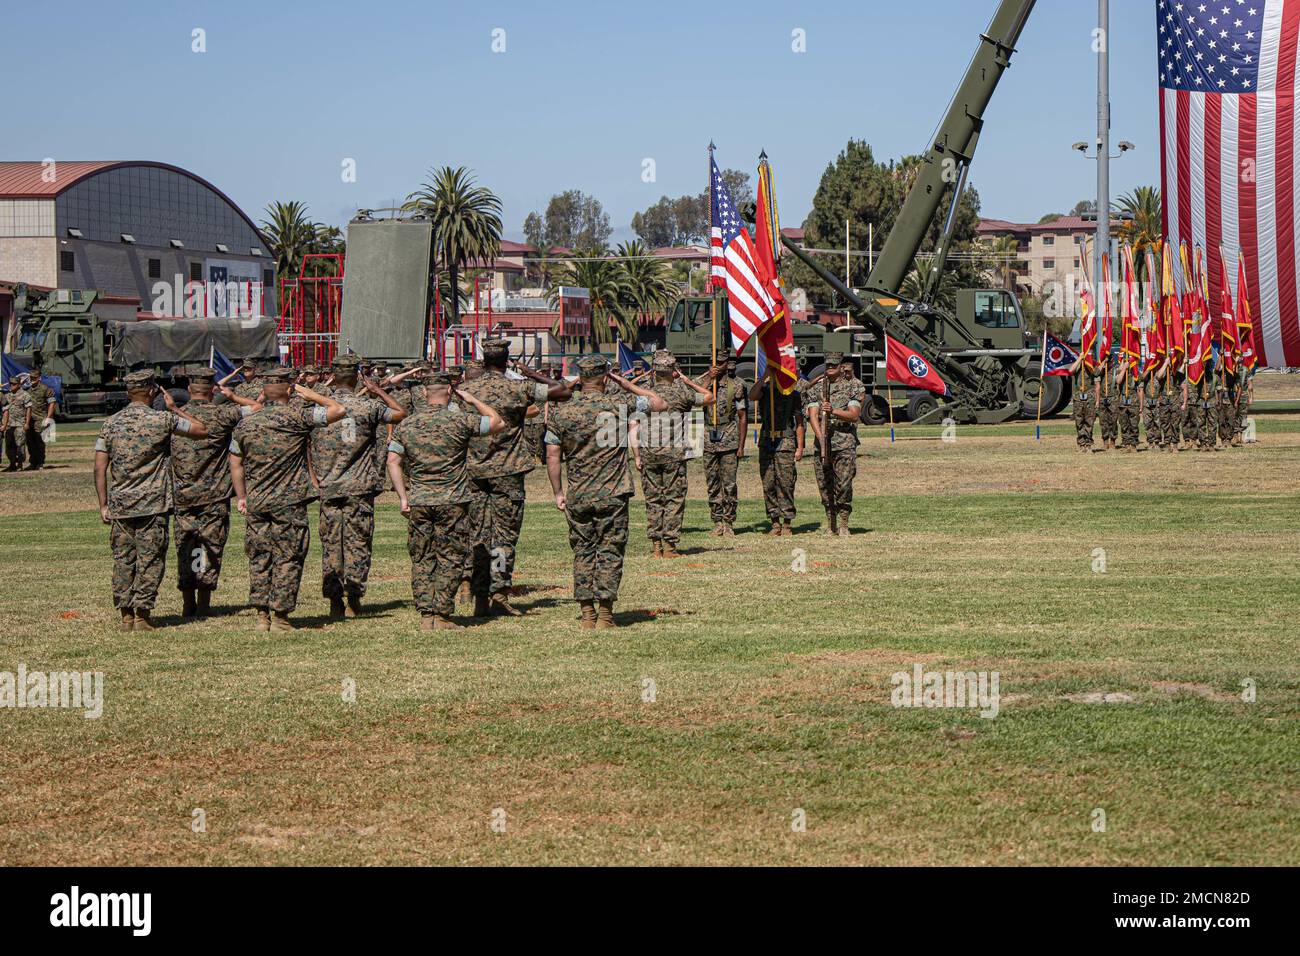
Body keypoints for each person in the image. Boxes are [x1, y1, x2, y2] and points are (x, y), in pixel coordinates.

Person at [544, 356, 667, 628]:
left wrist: (558, 492)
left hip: (578, 494)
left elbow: (553, 455)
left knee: (583, 551)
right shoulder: (619, 405)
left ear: (580, 377)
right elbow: (660, 402)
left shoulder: (562, 412)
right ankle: (605, 614)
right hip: (612, 492)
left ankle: (587, 612)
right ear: (604, 377)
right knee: (610, 551)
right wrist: (625, 383)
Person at [458, 338, 572, 616]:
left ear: (484, 361)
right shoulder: (518, 387)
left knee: (477, 535)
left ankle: (478, 593)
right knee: (504, 536)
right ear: (506, 360)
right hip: (508, 472)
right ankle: (498, 589)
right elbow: (563, 391)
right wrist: (529, 372)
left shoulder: (464, 390)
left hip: (473, 470)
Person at [228, 369, 348, 632]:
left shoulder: (247, 424)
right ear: (290, 389)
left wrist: (242, 496)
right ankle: (281, 616)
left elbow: (235, 463)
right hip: (288, 501)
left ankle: (262, 616)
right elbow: (338, 410)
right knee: (288, 557)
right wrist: (313, 394)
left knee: (260, 557)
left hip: (258, 500)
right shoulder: (297, 417)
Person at [93, 370, 210, 631]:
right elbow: (202, 430)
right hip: (152, 504)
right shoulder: (163, 420)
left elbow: (100, 467)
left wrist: (103, 503)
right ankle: (143, 615)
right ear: (151, 392)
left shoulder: (110, 423)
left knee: (123, 560)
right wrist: (174, 408)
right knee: (150, 559)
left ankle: (126, 616)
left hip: (121, 505)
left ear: (128, 393)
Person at [387, 373, 505, 631]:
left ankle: (425, 614)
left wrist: (403, 497)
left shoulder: (408, 424)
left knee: (422, 557)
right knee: (450, 557)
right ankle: (441, 615)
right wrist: (473, 400)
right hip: (453, 500)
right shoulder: (459, 420)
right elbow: (497, 422)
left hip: (419, 500)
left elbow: (392, 462)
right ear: (450, 393)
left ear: (425, 394)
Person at [310, 354, 408, 617]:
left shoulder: (319, 409)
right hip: (359, 486)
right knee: (358, 543)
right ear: (356, 378)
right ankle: (354, 600)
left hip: (328, 485)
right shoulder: (367, 406)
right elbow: (400, 414)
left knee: (332, 544)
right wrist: (377, 390)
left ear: (332, 376)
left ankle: (334, 601)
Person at [170, 368, 261, 618]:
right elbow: (256, 407)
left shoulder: (174, 416)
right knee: (209, 546)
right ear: (213, 390)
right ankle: (204, 601)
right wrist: (231, 396)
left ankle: (188, 601)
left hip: (183, 494)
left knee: (186, 545)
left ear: (189, 390)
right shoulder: (223, 413)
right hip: (214, 495)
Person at [636, 351, 717, 558]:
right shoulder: (682, 393)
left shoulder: (644, 394)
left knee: (653, 499)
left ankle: (656, 546)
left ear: (654, 371)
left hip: (649, 452)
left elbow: (632, 422)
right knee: (674, 499)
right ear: (673, 371)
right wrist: (688, 381)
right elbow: (710, 397)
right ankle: (670, 546)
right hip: (674, 454)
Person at [805, 352, 865, 537]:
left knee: (844, 484)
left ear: (841, 366)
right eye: (827, 365)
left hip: (844, 442)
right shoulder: (818, 388)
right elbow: (813, 414)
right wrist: (820, 436)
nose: (830, 368)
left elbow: (854, 415)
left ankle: (844, 523)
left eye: (834, 365)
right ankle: (830, 523)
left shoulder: (852, 386)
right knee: (824, 485)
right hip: (823, 443)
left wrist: (834, 411)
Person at [696, 356, 748, 537]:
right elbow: (691, 394)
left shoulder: (738, 385)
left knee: (729, 484)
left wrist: (741, 445)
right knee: (712, 483)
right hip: (709, 439)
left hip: (729, 439)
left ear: (727, 364)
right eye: (714, 362)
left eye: (721, 363)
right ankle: (717, 521)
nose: (717, 366)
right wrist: (709, 378)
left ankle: (729, 522)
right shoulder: (704, 383)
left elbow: (742, 416)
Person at [750, 366, 804, 535]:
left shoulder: (792, 394)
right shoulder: (765, 391)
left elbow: (799, 423)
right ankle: (774, 522)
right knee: (768, 483)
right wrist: (764, 376)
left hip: (785, 442)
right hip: (766, 441)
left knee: (786, 483)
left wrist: (800, 447)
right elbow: (752, 396)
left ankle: (787, 522)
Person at [24, 371, 57, 470]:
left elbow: (52, 403)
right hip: (29, 420)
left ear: (39, 378)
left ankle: (40, 462)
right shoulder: (27, 389)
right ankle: (32, 462)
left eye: (34, 377)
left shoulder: (45, 389)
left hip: (40, 419)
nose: (32, 379)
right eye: (31, 377)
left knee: (39, 441)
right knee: (30, 441)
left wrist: (49, 417)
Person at [1068, 352, 1099, 452]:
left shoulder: (1092, 365)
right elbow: (1070, 371)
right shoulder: (1077, 365)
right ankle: (1082, 445)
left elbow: (1097, 376)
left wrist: (1097, 400)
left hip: (1090, 396)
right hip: (1078, 398)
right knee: (1079, 421)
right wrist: (1079, 359)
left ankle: (1089, 444)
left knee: (1089, 421)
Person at [2, 377, 31, 471]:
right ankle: (12, 464)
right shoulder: (7, 395)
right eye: (10, 384)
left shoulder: (25, 395)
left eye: (14, 384)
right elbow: (4, 410)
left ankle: (20, 464)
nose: (11, 386)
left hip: (20, 424)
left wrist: (27, 423)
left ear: (19, 385)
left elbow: (28, 409)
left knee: (20, 445)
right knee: (9, 445)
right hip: (9, 424)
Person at [1115, 360, 1140, 452]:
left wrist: (1141, 405)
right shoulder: (1120, 371)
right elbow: (1118, 381)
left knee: (1134, 424)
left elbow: (1139, 389)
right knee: (1124, 424)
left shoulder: (1136, 372)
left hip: (1133, 401)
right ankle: (1126, 445)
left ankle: (1133, 445)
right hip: (1123, 401)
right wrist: (1124, 368)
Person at [1097, 352, 1119, 451]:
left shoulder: (1116, 370)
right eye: (1107, 361)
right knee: (1103, 421)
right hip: (1102, 399)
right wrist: (1103, 363)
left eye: (1109, 361)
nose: (1108, 363)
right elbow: (1095, 373)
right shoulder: (1101, 371)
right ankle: (1105, 441)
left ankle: (1113, 441)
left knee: (1113, 421)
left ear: (1112, 361)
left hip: (1113, 399)